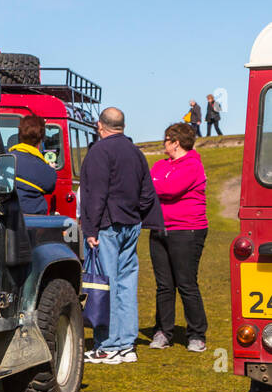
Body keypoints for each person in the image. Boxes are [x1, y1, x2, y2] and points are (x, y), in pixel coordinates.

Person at [79, 107, 165, 364]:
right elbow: (147, 192)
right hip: (131, 224)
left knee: (107, 285)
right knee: (126, 284)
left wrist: (91, 228)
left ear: (99, 125)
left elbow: (97, 194)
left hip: (108, 226)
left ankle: (108, 345)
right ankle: (127, 344)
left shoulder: (99, 151)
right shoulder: (136, 152)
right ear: (123, 126)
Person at [148, 123, 209, 351]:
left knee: (186, 283)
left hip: (187, 230)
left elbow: (170, 188)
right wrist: (155, 185)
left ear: (176, 142)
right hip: (160, 230)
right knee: (163, 285)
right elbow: (150, 185)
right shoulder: (159, 165)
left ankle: (196, 334)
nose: (163, 143)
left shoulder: (192, 165)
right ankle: (163, 331)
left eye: (166, 139)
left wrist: (155, 185)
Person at [9, 114, 57, 214]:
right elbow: (49, 186)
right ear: (40, 141)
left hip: (10, 219)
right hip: (35, 221)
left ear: (20, 136)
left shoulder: (7, 159)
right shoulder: (47, 171)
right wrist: (49, 168)